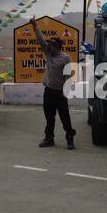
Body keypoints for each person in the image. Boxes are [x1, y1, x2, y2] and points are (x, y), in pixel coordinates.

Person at [30, 17, 76, 149]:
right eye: (49, 45)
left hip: (60, 93)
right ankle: (49, 138)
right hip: (49, 91)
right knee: (49, 117)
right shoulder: (48, 54)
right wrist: (35, 26)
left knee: (65, 117)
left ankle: (70, 138)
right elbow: (41, 40)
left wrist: (66, 91)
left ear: (58, 47)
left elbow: (69, 76)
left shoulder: (65, 58)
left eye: (51, 46)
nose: (48, 47)